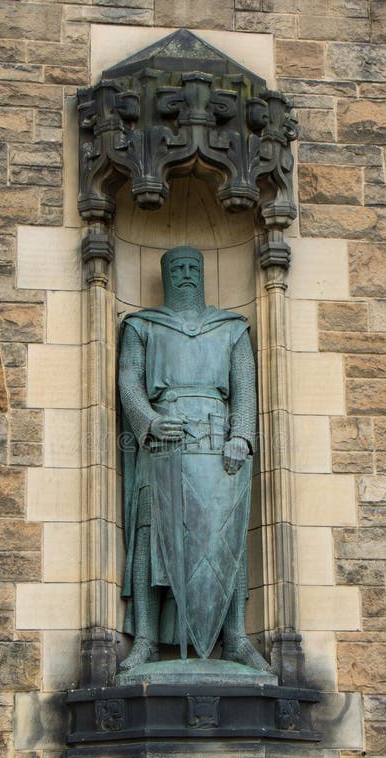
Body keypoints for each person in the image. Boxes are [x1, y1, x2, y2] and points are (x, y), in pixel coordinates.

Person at [118, 245, 269, 672]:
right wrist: (148, 421)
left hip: (217, 442)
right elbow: (129, 379)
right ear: (167, 276)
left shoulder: (231, 327)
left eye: (192, 267)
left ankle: (236, 638)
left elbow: (245, 387)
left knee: (227, 537)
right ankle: (146, 639)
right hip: (164, 440)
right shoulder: (142, 325)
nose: (185, 274)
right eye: (177, 268)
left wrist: (240, 435)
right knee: (152, 534)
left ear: (201, 275)